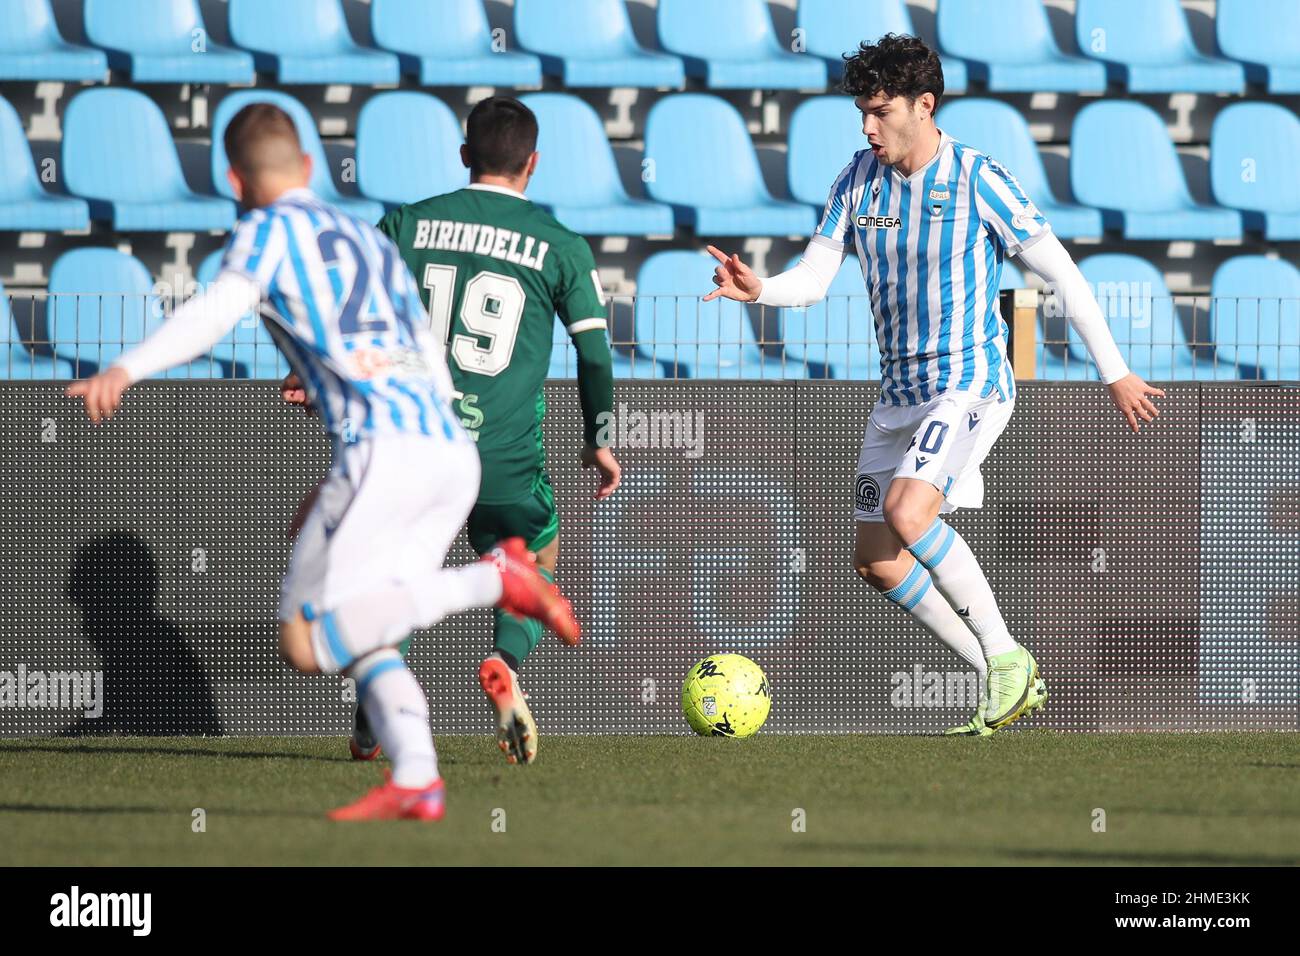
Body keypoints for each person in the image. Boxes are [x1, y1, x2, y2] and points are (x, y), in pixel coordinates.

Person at [67, 102, 579, 819]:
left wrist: (126, 368)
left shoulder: (268, 231)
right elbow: (421, 350)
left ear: (232, 178)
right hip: (442, 450)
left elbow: (215, 311)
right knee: (367, 625)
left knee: (304, 643)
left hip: (386, 454)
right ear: (308, 168)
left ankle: (496, 578)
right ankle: (417, 776)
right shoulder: (358, 236)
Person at [703, 35, 1164, 736]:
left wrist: (1114, 370)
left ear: (925, 105)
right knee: (878, 560)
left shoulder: (979, 177)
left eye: (879, 111)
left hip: (971, 381)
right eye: (861, 111)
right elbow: (815, 280)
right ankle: (1006, 676)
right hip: (898, 397)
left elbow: (1060, 273)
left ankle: (1006, 659)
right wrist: (760, 288)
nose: (867, 125)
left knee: (909, 514)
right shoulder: (857, 181)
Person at [317, 95, 618, 766]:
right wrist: (598, 435)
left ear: (463, 157)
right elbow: (595, 354)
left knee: (398, 576)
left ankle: (378, 701)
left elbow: (344, 312)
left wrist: (312, 377)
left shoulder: (407, 224)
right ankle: (506, 659)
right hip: (504, 457)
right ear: (532, 164)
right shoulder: (559, 245)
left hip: (412, 444)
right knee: (533, 558)